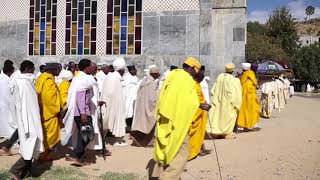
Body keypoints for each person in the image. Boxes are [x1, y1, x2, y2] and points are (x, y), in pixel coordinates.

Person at [152, 57, 208, 179]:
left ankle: (159, 174)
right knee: (181, 153)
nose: (196, 75)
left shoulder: (173, 75)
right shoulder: (187, 80)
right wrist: (201, 105)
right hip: (178, 123)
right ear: (192, 68)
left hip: (164, 120)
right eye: (196, 71)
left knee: (165, 148)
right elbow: (188, 103)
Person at [61, 59, 101, 164]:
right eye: (92, 66)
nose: (94, 68)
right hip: (81, 112)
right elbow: (80, 97)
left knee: (82, 134)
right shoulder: (83, 79)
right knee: (88, 134)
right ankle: (75, 155)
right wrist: (83, 113)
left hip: (80, 111)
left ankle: (78, 156)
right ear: (87, 67)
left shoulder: (81, 78)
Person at [9, 60, 44, 179]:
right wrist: (26, 124)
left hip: (32, 118)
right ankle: (15, 170)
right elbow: (22, 105)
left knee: (32, 144)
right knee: (30, 144)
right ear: (28, 69)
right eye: (32, 69)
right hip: (27, 121)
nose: (34, 72)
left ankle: (28, 170)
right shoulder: (22, 83)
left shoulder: (26, 82)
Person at [207, 63, 242, 139]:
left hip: (218, 102)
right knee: (228, 117)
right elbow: (236, 94)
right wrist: (237, 104)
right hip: (229, 103)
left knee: (218, 117)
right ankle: (227, 133)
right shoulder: (234, 80)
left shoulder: (220, 77)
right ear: (232, 71)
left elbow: (213, 90)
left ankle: (216, 132)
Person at [35, 63, 62, 161]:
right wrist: (57, 110)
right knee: (49, 136)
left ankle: (45, 155)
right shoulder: (48, 81)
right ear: (52, 70)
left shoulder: (42, 77)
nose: (59, 71)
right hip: (49, 113)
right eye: (58, 69)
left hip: (43, 111)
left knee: (46, 134)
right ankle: (44, 156)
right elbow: (49, 99)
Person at [130, 66, 161, 147]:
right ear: (154, 74)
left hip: (142, 106)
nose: (159, 75)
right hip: (149, 107)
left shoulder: (145, 80)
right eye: (157, 73)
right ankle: (147, 142)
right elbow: (152, 98)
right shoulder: (151, 83)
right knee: (150, 123)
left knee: (143, 124)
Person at [101, 57, 128, 147]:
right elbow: (111, 93)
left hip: (112, 104)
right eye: (123, 70)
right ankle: (117, 141)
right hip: (114, 105)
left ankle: (105, 140)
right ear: (121, 70)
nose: (124, 72)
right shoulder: (114, 78)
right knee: (108, 121)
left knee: (106, 121)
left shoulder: (110, 76)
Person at [188, 71, 212, 161]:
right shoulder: (193, 85)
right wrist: (201, 105)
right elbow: (192, 100)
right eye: (201, 78)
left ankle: (202, 148)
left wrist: (205, 103)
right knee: (194, 132)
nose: (202, 80)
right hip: (195, 113)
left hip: (201, 111)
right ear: (197, 78)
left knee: (201, 131)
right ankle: (192, 151)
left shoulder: (197, 84)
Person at [0, 63, 17, 155]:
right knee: (10, 126)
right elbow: (9, 96)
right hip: (6, 107)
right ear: (9, 72)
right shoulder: (6, 80)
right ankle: (7, 147)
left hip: (2, 106)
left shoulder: (1, 78)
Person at [237, 63, 260, 130]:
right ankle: (250, 125)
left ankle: (242, 125)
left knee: (243, 110)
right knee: (252, 110)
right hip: (250, 98)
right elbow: (255, 84)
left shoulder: (242, 76)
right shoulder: (251, 74)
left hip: (243, 97)